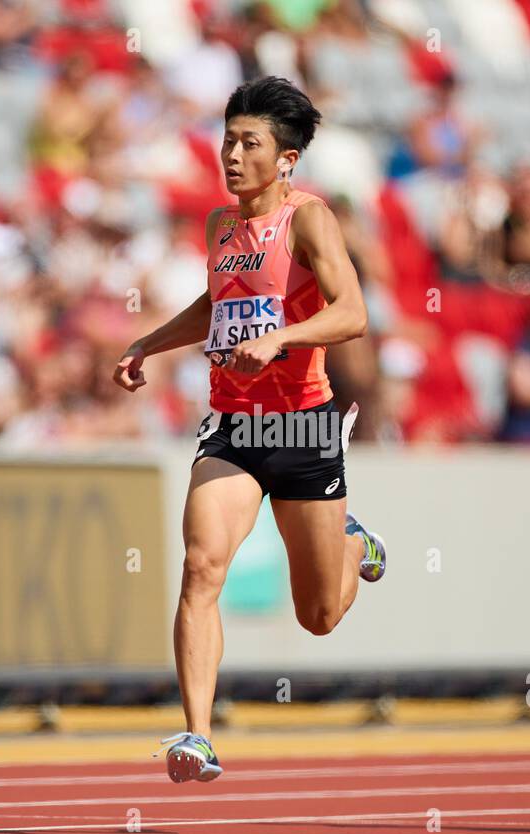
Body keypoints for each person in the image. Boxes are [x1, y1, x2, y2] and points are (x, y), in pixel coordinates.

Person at [112, 76, 386, 783]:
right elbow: (217, 300)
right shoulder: (220, 228)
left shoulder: (310, 220)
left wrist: (283, 339)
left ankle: (353, 542)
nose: (231, 154)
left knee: (320, 616)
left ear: (285, 159)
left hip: (303, 428)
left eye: (248, 142)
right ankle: (197, 736)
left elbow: (352, 313)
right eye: (227, 138)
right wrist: (149, 343)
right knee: (202, 567)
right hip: (233, 425)